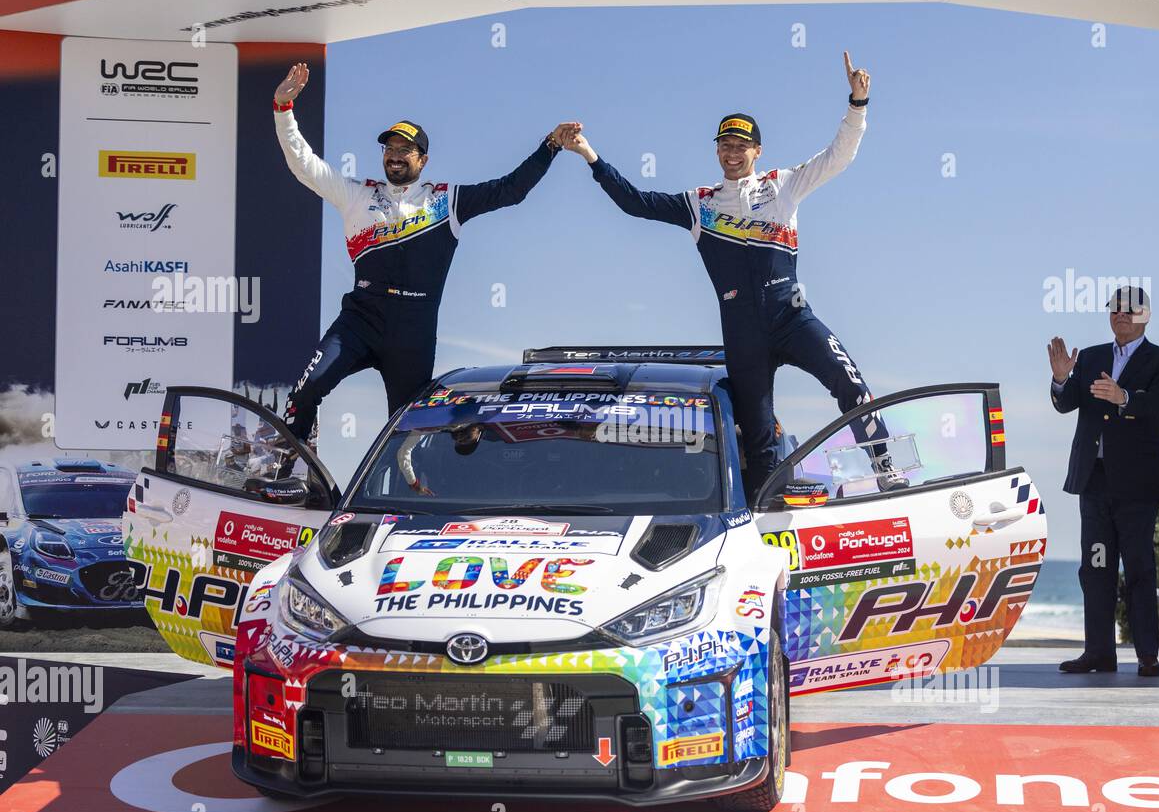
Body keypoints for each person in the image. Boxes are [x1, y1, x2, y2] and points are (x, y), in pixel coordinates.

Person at [560, 52, 905, 503]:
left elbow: (838, 156)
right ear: (717, 151)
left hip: (793, 318)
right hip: (743, 334)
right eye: (725, 145)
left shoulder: (783, 185)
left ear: (756, 152)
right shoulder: (700, 203)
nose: (732, 153)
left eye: (741, 146)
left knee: (850, 384)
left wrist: (857, 103)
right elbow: (635, 202)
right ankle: (767, 510)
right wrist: (590, 155)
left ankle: (886, 471)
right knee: (758, 436)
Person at [271, 62, 580, 445]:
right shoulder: (358, 194)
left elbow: (510, 189)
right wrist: (283, 110)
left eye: (406, 149)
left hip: (413, 330)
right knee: (308, 388)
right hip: (360, 318)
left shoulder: (446, 200)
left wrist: (550, 146)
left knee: (403, 430)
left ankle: (447, 440)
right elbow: (305, 166)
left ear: (423, 160)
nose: (395, 156)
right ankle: (287, 466)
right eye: (389, 148)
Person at [1048, 286, 1159, 677]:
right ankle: (1099, 653)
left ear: (1146, 315)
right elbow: (1067, 402)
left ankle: (1147, 656)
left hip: (1137, 485)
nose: (1121, 315)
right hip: (1095, 481)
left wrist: (1123, 396)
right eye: (1115, 309)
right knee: (1095, 567)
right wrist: (1060, 380)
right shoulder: (1089, 357)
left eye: (1130, 309)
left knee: (1139, 567)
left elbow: (1158, 404)